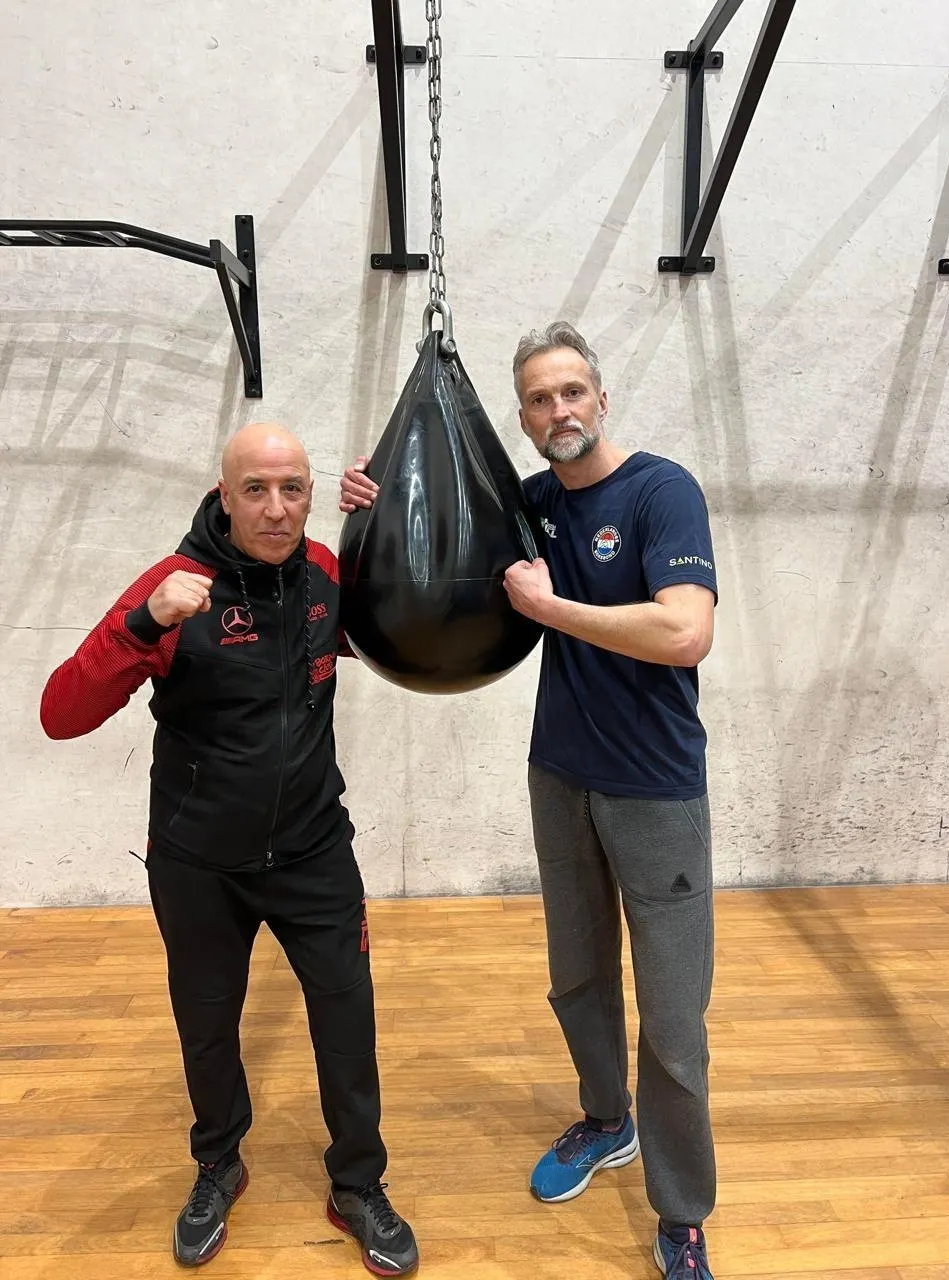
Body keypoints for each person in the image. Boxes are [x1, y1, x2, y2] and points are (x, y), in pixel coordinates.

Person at [339, 323, 718, 1280]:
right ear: (520, 418)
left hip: (657, 788)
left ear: (602, 395)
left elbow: (685, 633)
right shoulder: (532, 501)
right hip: (561, 777)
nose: (561, 411)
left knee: (672, 1025)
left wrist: (554, 612)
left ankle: (680, 1215)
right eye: (541, 400)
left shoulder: (660, 492)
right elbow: (442, 541)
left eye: (573, 392)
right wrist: (375, 506)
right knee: (577, 978)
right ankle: (605, 1122)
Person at [40, 423, 418, 1276]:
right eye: (256, 490)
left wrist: (388, 525)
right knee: (207, 1028)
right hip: (198, 863)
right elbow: (60, 712)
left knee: (348, 1020)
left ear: (312, 492)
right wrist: (143, 621)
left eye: (293, 488)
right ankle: (218, 1164)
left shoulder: (325, 573)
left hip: (316, 852)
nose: (276, 509)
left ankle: (358, 1184)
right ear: (223, 493)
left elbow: (410, 629)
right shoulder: (175, 589)